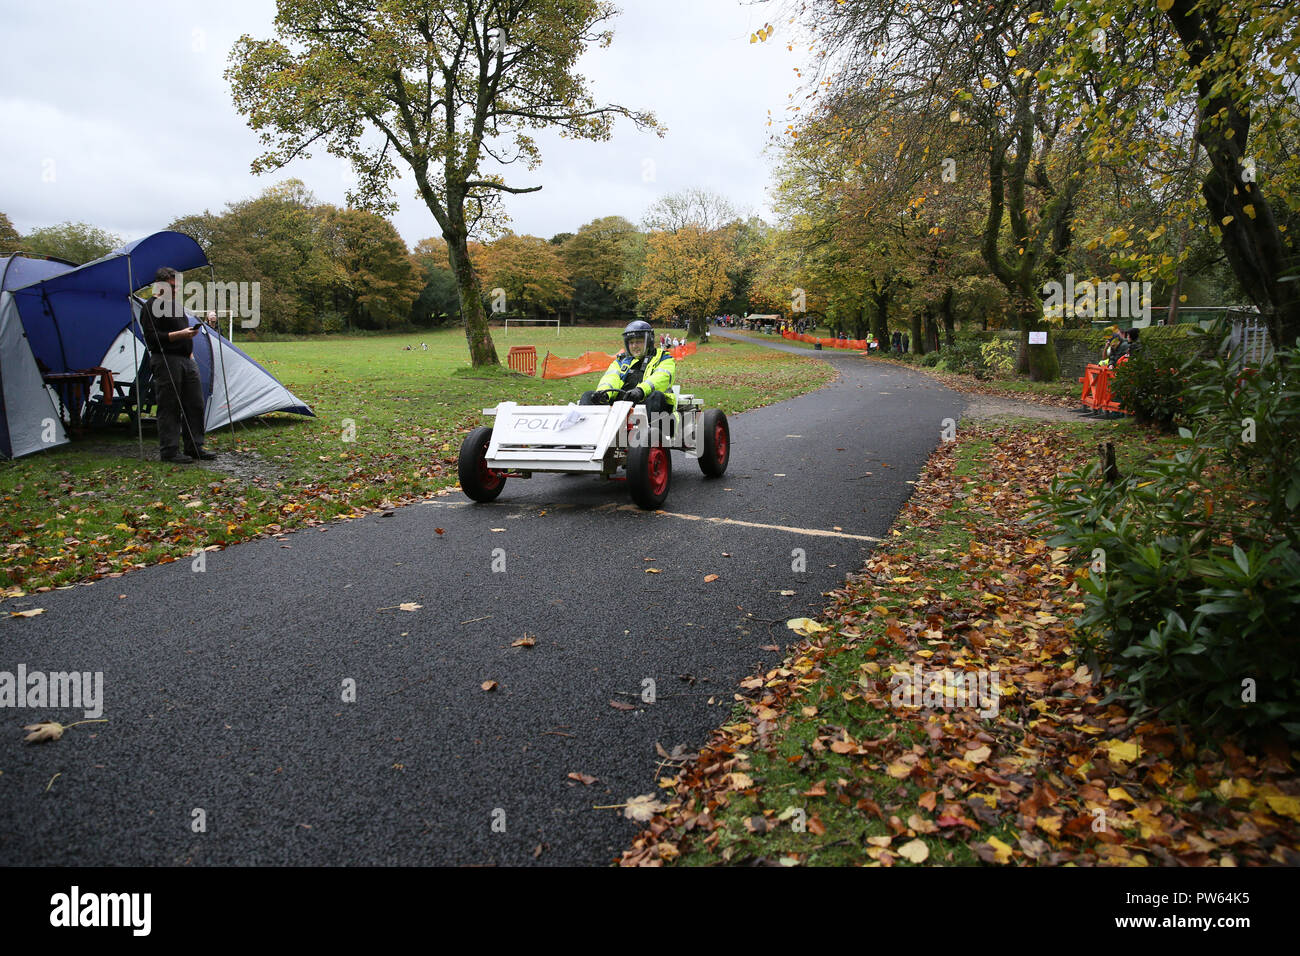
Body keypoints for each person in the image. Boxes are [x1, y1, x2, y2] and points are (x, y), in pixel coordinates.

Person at [139, 267, 215, 463]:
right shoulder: (150, 307)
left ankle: (194, 447)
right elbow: (152, 338)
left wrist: (190, 354)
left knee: (195, 404)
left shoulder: (176, 307)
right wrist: (180, 335)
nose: (175, 290)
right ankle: (170, 451)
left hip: (186, 360)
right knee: (170, 406)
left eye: (177, 287)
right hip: (165, 360)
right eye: (172, 286)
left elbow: (183, 331)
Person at [580, 320, 677, 419]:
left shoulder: (664, 359)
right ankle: (592, 431)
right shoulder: (620, 361)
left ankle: (646, 433)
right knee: (588, 396)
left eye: (639, 342)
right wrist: (603, 394)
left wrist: (640, 391)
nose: (634, 346)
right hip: (620, 408)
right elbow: (610, 379)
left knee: (657, 396)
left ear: (649, 341)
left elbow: (660, 379)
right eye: (631, 343)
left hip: (650, 407)